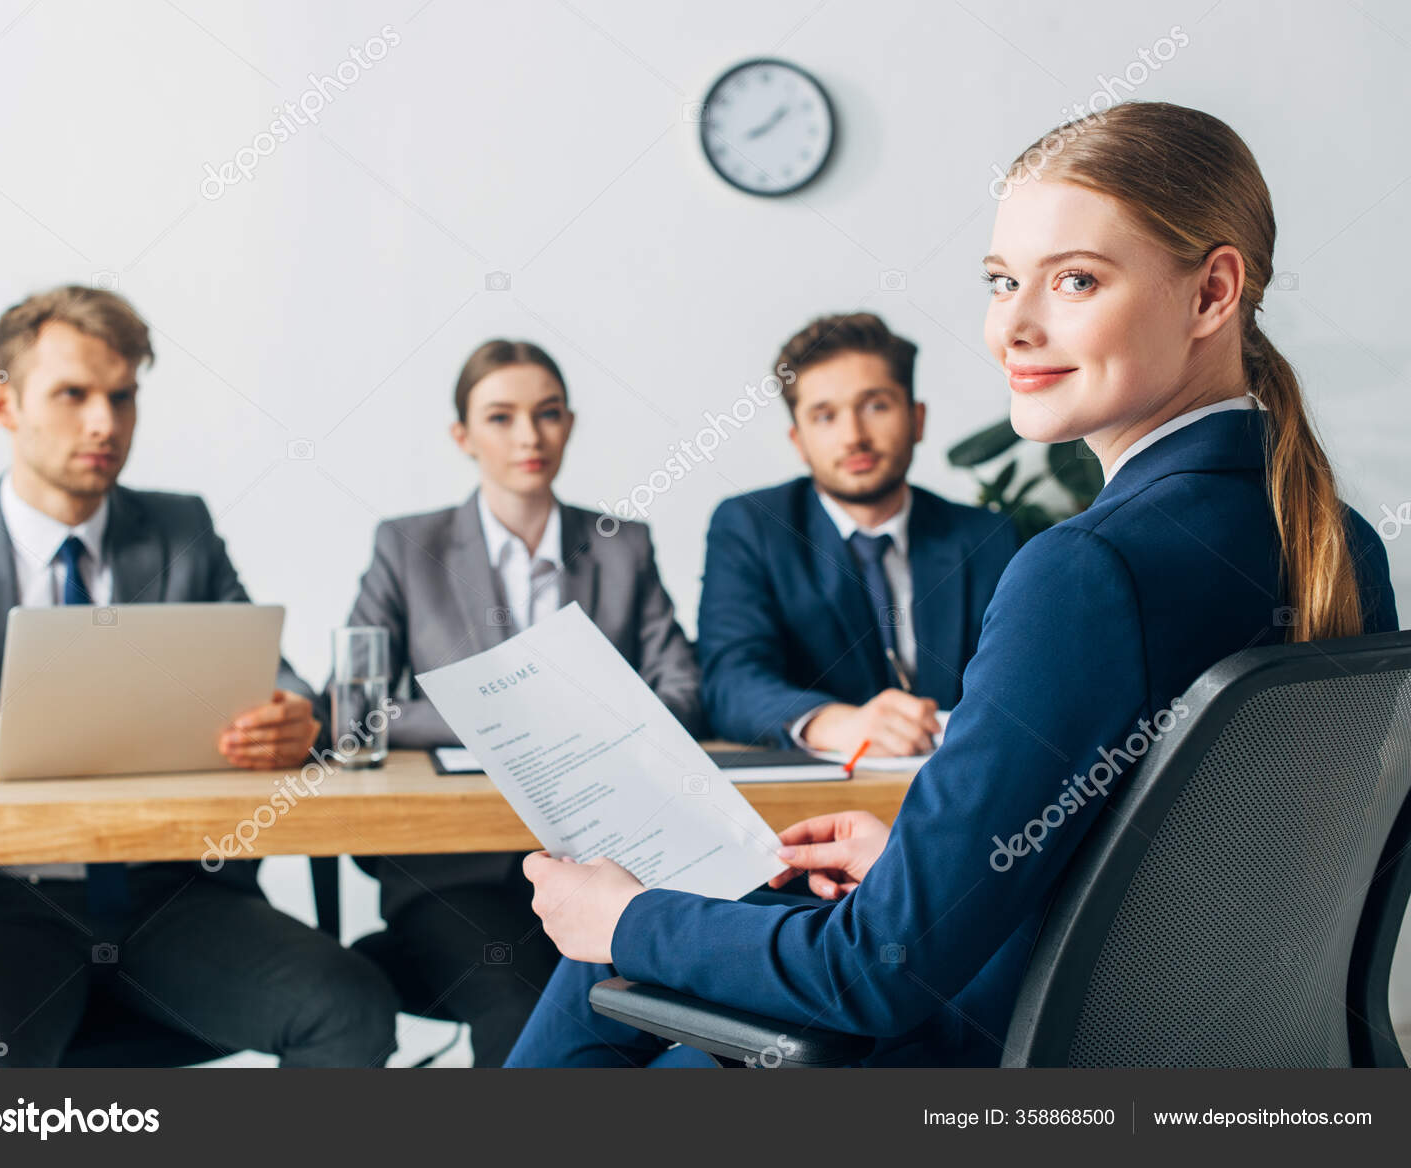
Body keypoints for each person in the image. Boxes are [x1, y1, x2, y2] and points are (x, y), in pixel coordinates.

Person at [504, 102, 1399, 1068]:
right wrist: (918, 866)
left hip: (990, 1052)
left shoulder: (1086, 572)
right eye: (1002, 281)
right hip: (1199, 1051)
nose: (1012, 326)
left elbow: (873, 974)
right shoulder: (1336, 541)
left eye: (1076, 280)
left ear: (1213, 293)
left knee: (599, 968)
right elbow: (1185, 887)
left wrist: (628, 920)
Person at [0, 286, 399, 1067]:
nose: (105, 423)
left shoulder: (182, 528)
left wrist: (296, 712)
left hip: (172, 899)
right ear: (4, 406)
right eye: (73, 395)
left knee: (350, 1008)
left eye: (123, 397)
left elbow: (275, 674)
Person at [336, 338, 703, 1066]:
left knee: (673, 1017)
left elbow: (684, 692)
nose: (529, 436)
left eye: (548, 414)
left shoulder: (621, 546)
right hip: (454, 869)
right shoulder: (409, 546)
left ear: (570, 424)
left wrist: (582, 726)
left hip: (610, 860)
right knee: (523, 1013)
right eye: (501, 417)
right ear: (462, 436)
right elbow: (354, 712)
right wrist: (507, 725)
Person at [699, 312, 1019, 756]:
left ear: (917, 419)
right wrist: (833, 725)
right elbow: (730, 680)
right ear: (798, 440)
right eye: (825, 416)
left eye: (876, 406)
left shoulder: (987, 536)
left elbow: (1018, 682)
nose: (854, 437)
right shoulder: (750, 527)